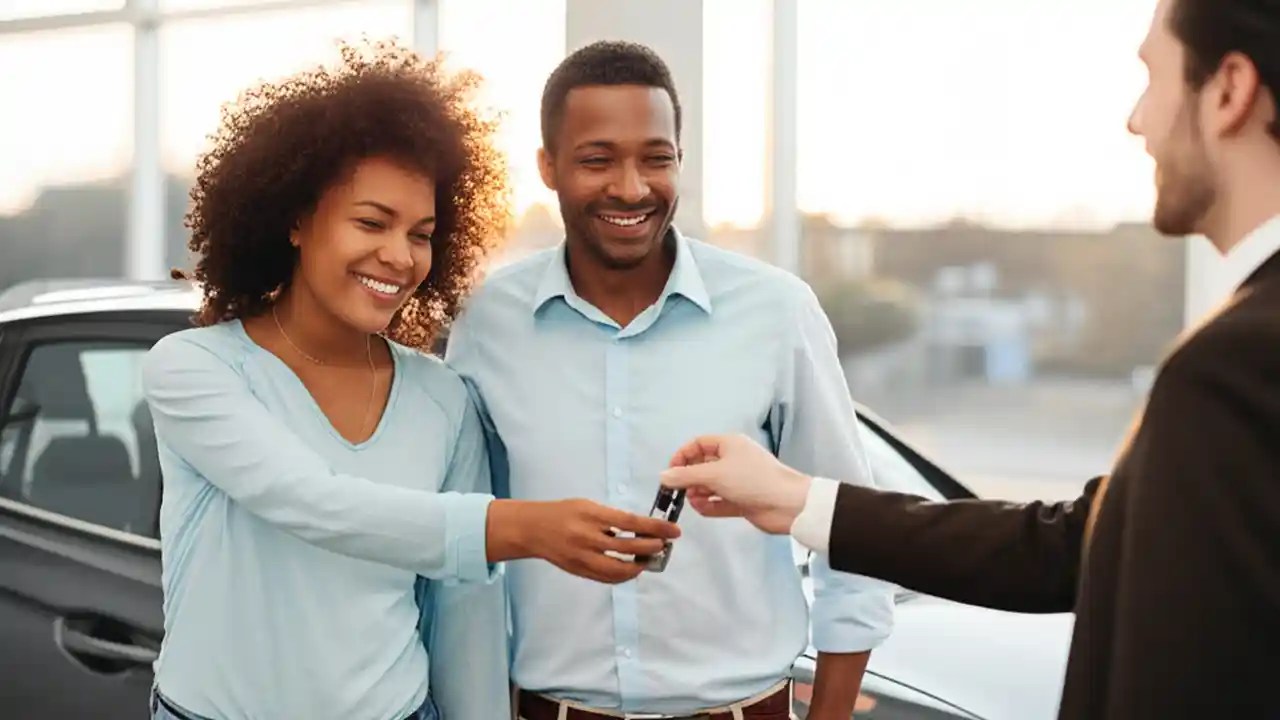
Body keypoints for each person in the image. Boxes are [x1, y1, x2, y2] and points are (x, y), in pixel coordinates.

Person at [659, 1, 1280, 717]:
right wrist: (797, 498)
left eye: (1152, 78)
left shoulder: (1232, 364)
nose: (1136, 121)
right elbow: (1076, 545)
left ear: (1229, 90)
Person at [141, 40, 678, 720]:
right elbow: (314, 502)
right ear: (296, 220)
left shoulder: (441, 398)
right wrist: (524, 527)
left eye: (420, 234)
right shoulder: (195, 368)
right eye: (372, 223)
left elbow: (464, 611)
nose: (398, 257)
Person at [445, 40, 894, 719]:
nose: (631, 188)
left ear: (680, 159)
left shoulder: (776, 311)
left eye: (656, 158)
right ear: (548, 167)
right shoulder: (488, 323)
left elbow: (851, 534)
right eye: (597, 159)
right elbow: (460, 541)